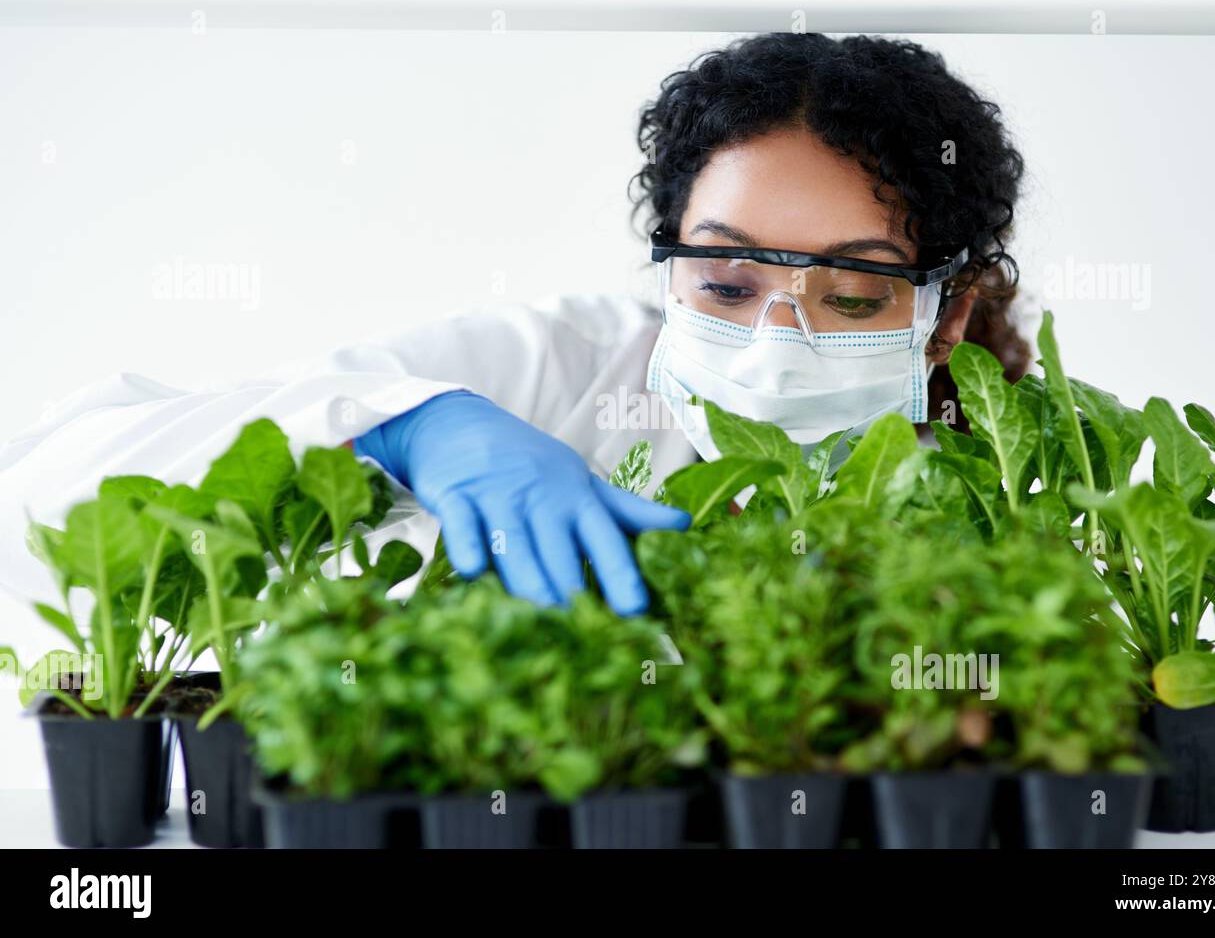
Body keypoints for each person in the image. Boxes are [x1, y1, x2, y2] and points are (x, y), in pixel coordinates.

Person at [0, 33, 1030, 615]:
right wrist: (407, 424)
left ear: (945, 316)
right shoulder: (558, 367)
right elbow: (47, 489)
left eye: (852, 291)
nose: (774, 336)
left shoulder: (1027, 483)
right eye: (723, 282)